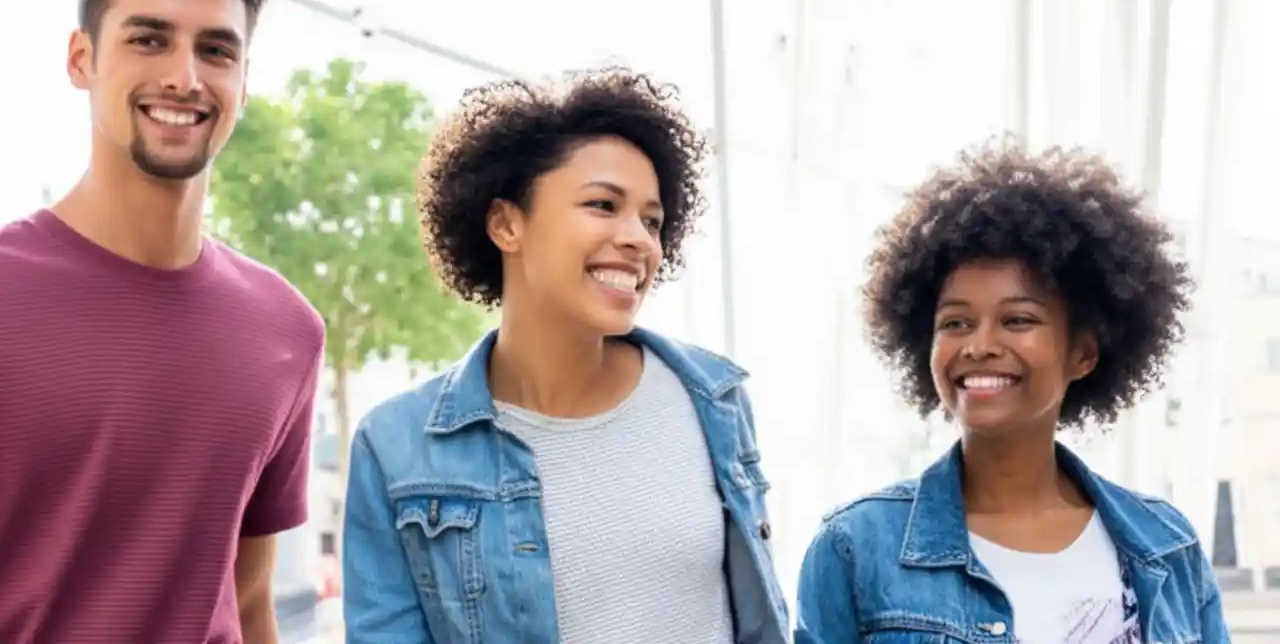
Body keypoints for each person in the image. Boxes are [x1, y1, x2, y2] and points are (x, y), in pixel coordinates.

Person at [342, 68, 788, 643]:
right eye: (603, 205)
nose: (639, 239)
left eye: (652, 221)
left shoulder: (714, 399)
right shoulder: (398, 447)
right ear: (506, 223)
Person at [0, 0, 324, 642]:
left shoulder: (288, 330)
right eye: (149, 39)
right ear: (81, 59)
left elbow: (250, 598)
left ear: (243, 79)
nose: (185, 76)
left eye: (215, 49)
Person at [795, 139, 1226, 643]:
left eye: (1018, 319)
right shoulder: (856, 548)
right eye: (955, 322)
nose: (979, 345)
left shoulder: (1166, 545)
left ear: (1083, 354)